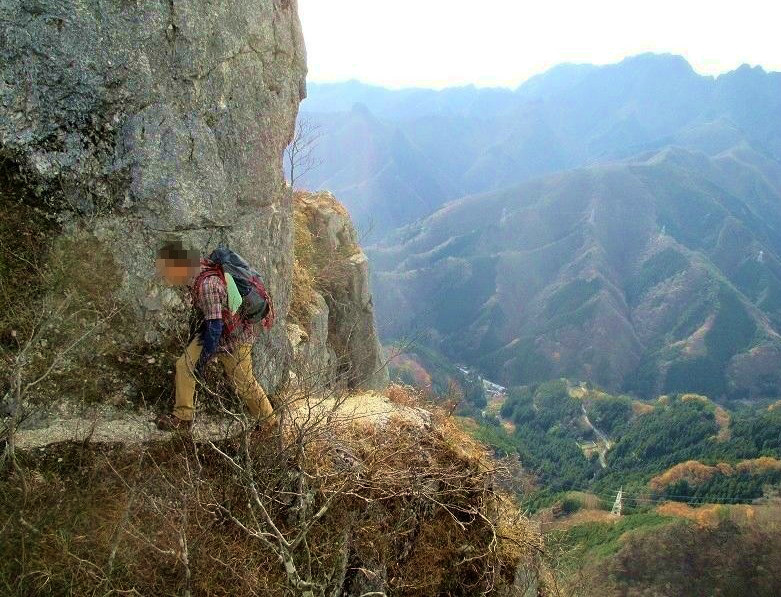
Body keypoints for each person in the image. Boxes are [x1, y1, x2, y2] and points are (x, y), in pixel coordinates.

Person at [154, 240, 275, 432]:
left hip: (235, 335)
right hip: (214, 328)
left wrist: (202, 361)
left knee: (244, 383)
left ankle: (270, 423)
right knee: (184, 364)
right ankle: (183, 417)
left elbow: (215, 328)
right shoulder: (197, 269)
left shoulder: (207, 285)